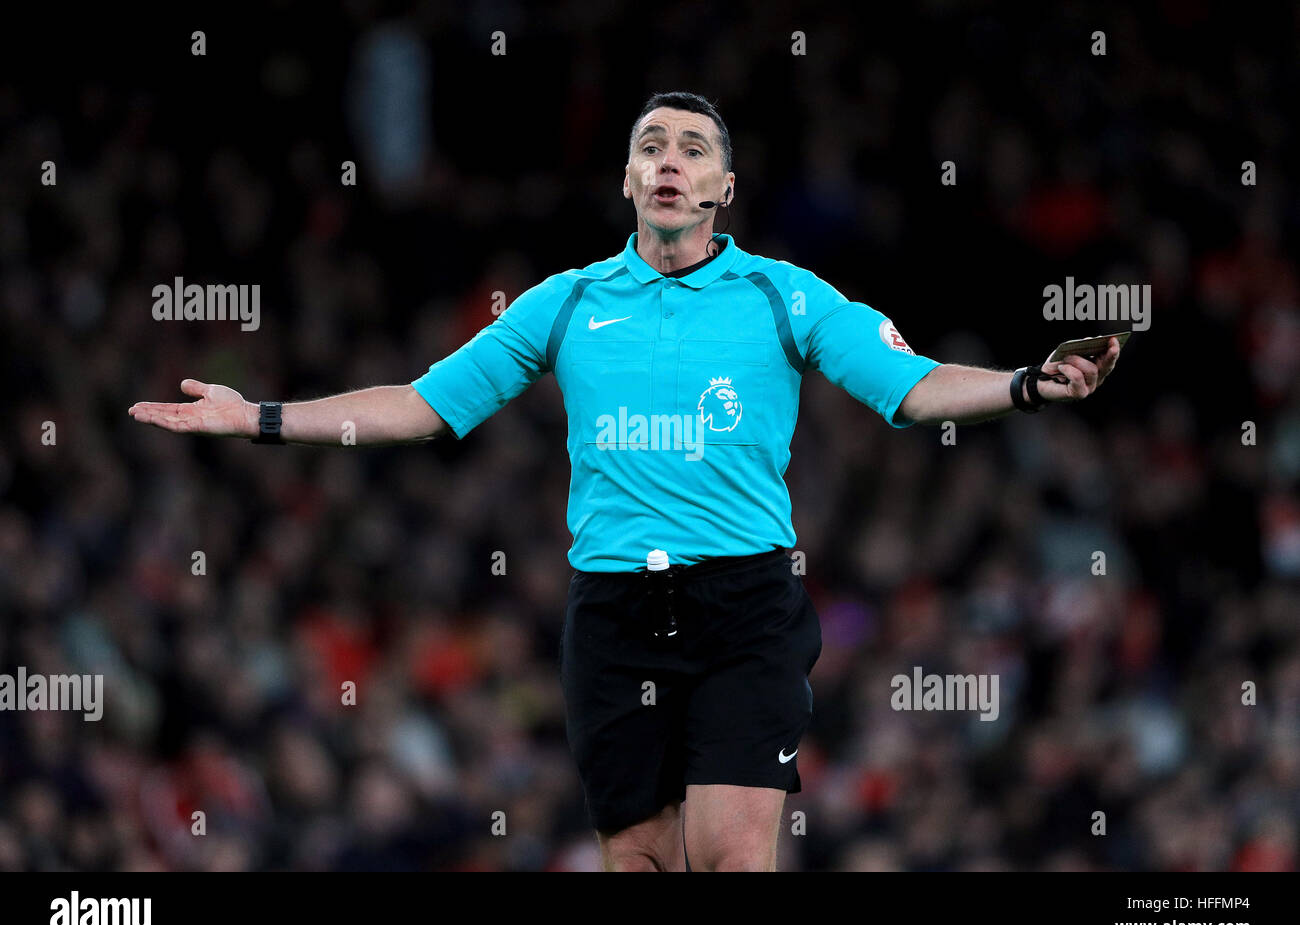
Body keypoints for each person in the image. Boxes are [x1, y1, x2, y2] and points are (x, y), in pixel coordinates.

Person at [128, 90, 1121, 871]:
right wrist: (255, 417)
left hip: (745, 608)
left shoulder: (786, 295)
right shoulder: (564, 305)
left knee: (731, 854)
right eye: (652, 146)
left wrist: (1027, 384)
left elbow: (909, 391)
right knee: (640, 858)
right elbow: (423, 407)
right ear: (628, 177)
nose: (670, 163)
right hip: (613, 613)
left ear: (723, 187)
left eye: (693, 149)